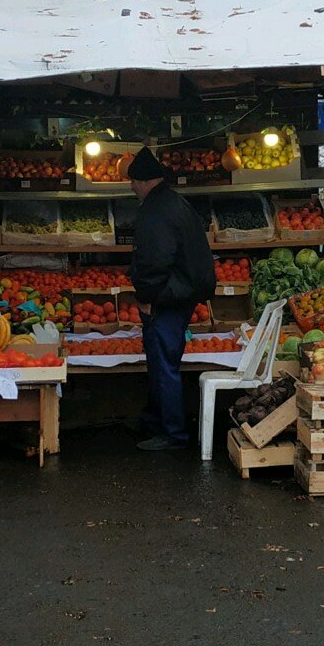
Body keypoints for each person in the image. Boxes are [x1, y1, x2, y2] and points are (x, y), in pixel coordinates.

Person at [128, 146, 216, 451]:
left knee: (164, 364)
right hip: (182, 294)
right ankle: (155, 421)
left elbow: (155, 261)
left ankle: (173, 433)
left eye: (133, 183)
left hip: (167, 298)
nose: (132, 189)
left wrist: (147, 297)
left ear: (141, 182)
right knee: (162, 362)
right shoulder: (175, 203)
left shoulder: (156, 211)